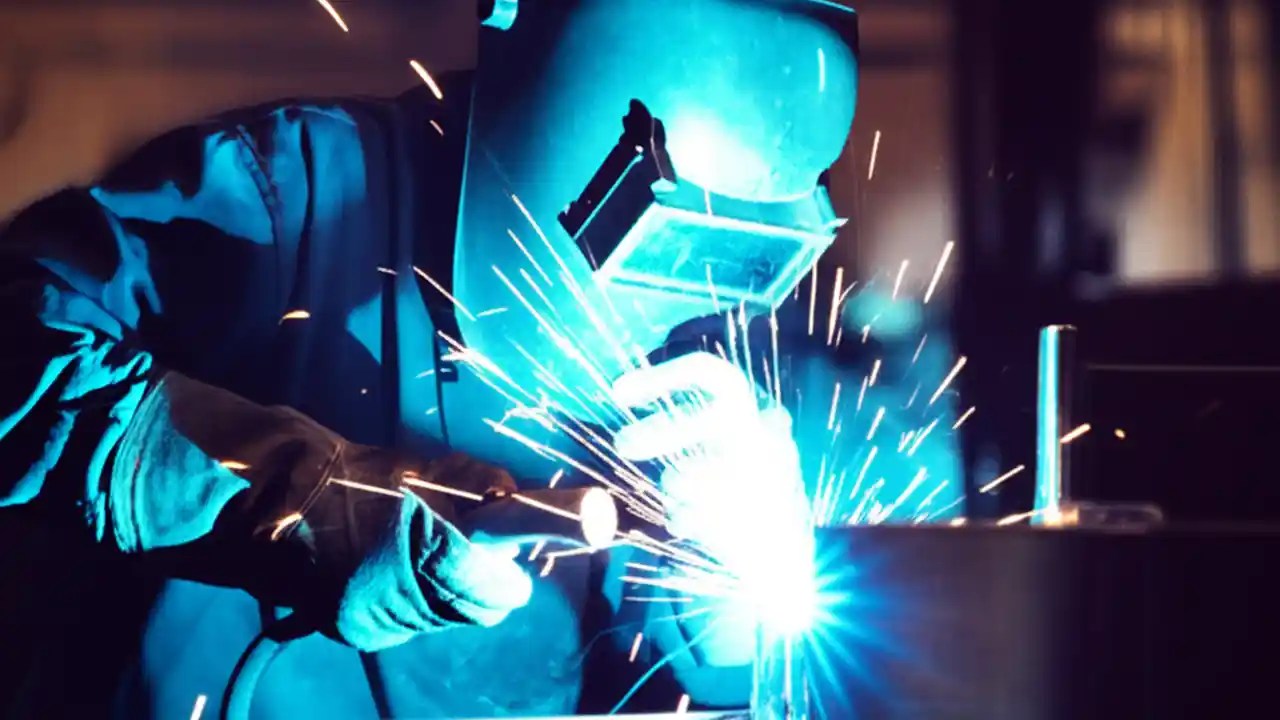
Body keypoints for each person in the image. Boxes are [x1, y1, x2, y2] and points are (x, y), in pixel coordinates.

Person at [0, 0, 861, 717]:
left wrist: (729, 621)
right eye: (668, 231)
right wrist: (290, 493)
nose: (692, 289)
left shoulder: (712, 344)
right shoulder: (290, 191)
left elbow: (687, 685)